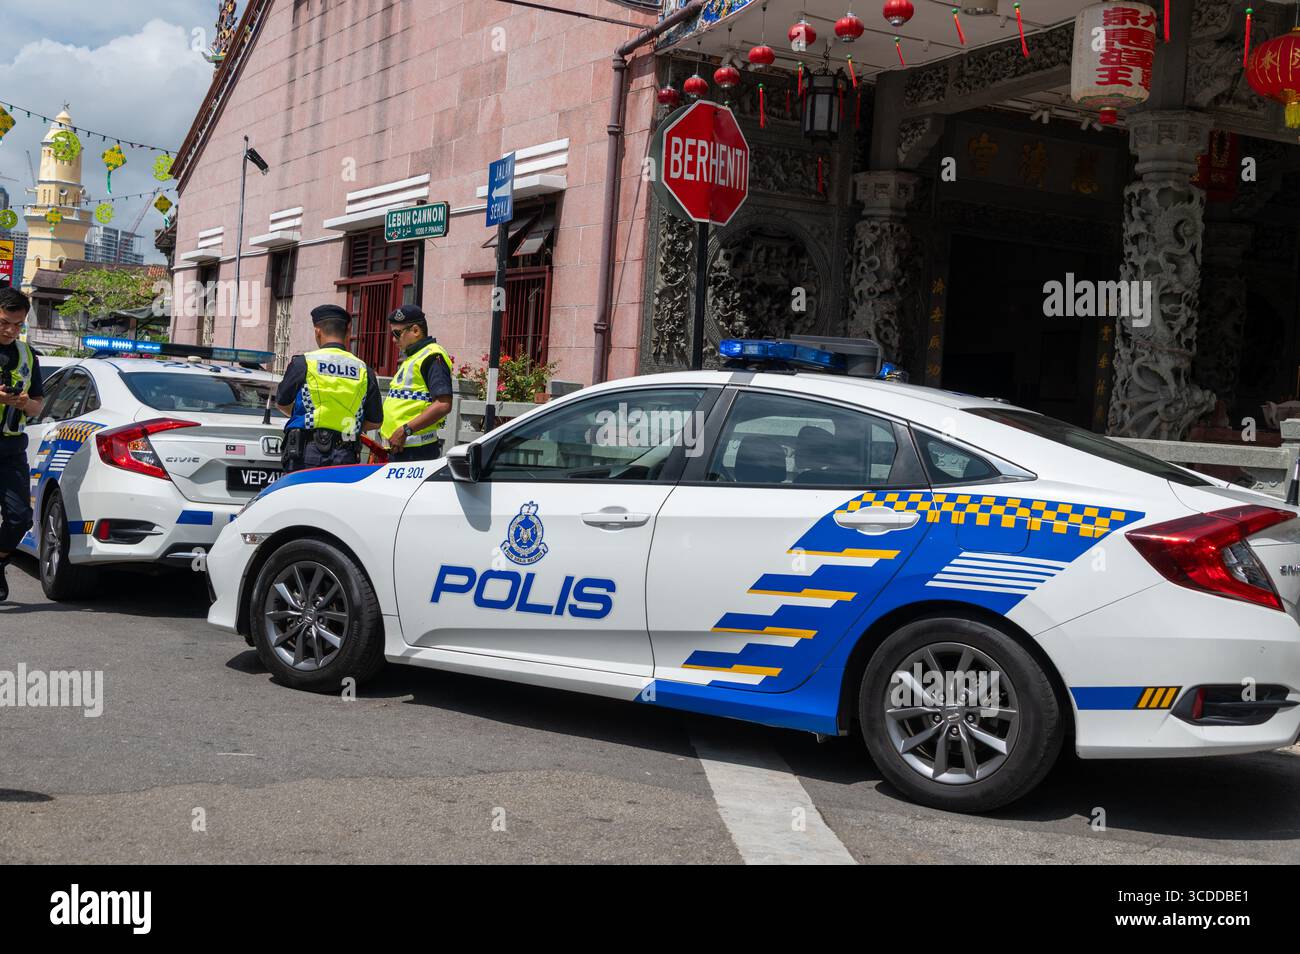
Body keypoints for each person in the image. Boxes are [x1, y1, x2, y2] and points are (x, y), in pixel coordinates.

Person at [274, 303, 383, 473]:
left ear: (317, 331)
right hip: (345, 454)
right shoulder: (364, 370)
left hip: (305, 453)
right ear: (348, 331)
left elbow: (282, 402)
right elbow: (375, 421)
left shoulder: (304, 362)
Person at [0, 288, 45, 602]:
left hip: (11, 449)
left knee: (20, 518)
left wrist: (25, 402)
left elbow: (38, 407)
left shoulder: (28, 355)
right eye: (4, 322)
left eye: (17, 324)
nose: (11, 330)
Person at [381, 304, 454, 462]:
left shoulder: (432, 356)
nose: (393, 339)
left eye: (397, 333)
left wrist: (405, 430)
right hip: (402, 449)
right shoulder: (414, 358)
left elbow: (443, 404)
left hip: (416, 452)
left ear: (415, 330)